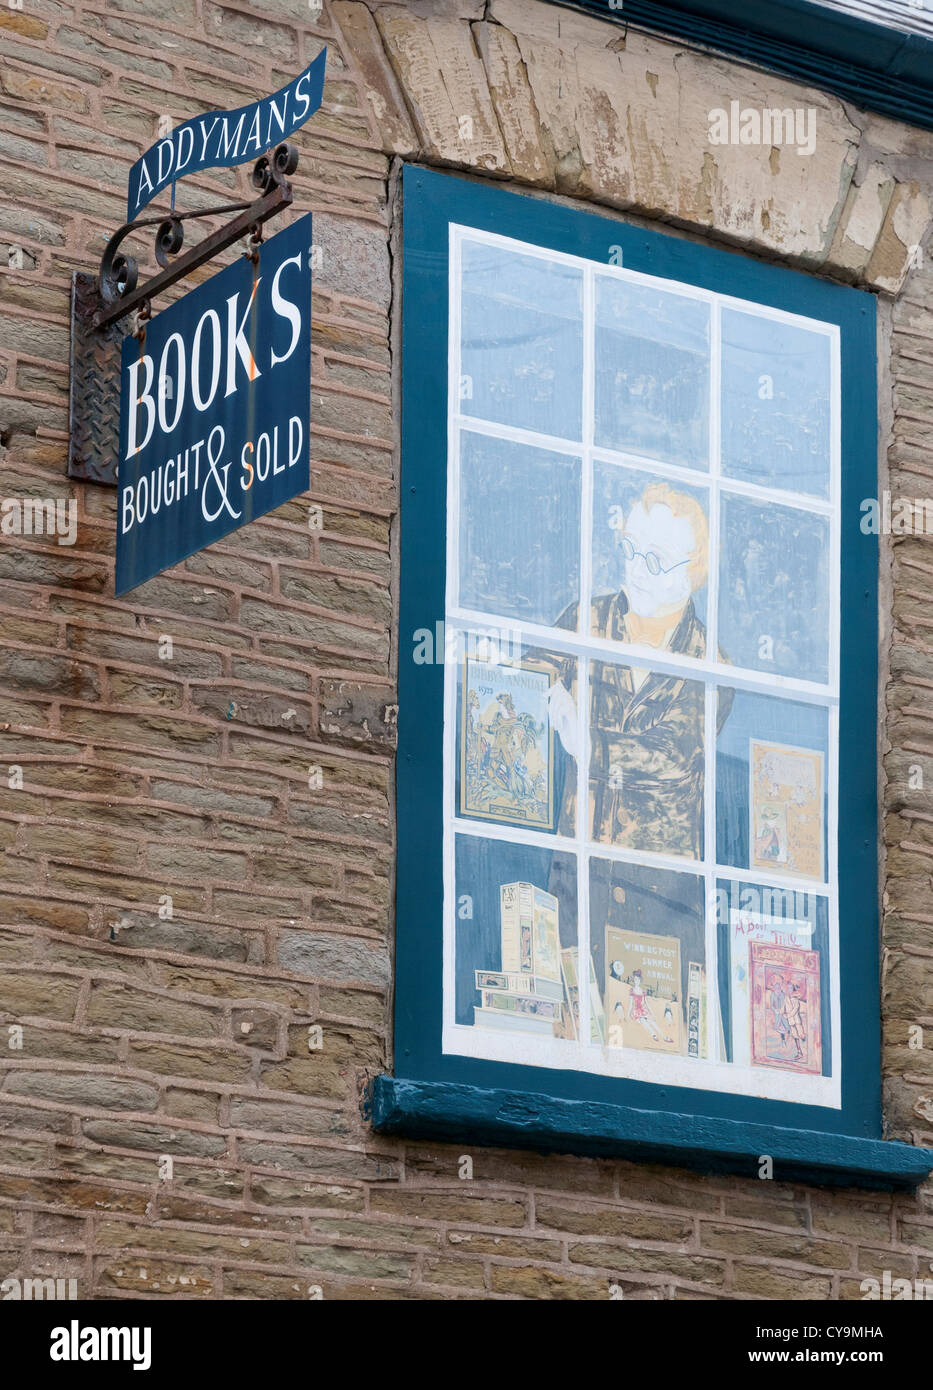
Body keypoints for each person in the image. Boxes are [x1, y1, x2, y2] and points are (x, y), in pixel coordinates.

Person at [545, 481, 731, 859]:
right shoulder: (585, 620)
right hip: (577, 871)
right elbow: (527, 678)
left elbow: (670, 754)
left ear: (693, 570)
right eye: (631, 549)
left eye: (656, 560)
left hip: (658, 894)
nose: (637, 570)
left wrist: (585, 741)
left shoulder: (711, 664)